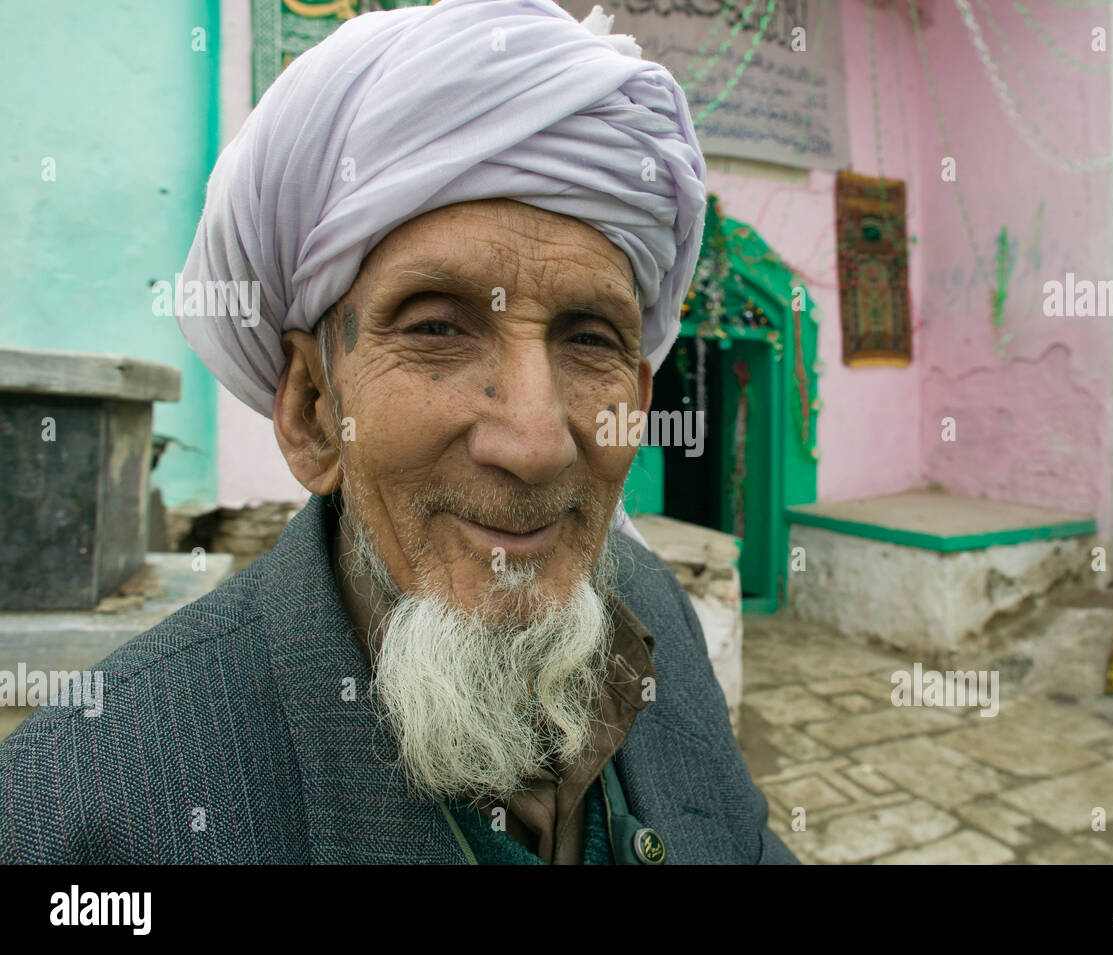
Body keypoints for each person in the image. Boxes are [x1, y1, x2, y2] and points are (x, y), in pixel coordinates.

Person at [0, 0, 797, 865]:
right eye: (436, 329)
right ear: (312, 409)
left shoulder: (657, 620)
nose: (533, 442)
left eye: (587, 338)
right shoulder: (79, 813)